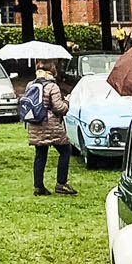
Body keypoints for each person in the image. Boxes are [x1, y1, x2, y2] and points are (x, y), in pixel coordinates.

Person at [25, 63, 74, 196]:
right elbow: (59, 108)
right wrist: (67, 102)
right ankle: (61, 184)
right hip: (51, 125)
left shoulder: (31, 85)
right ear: (52, 72)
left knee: (40, 154)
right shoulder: (52, 86)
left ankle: (38, 187)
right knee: (65, 150)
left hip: (35, 124)